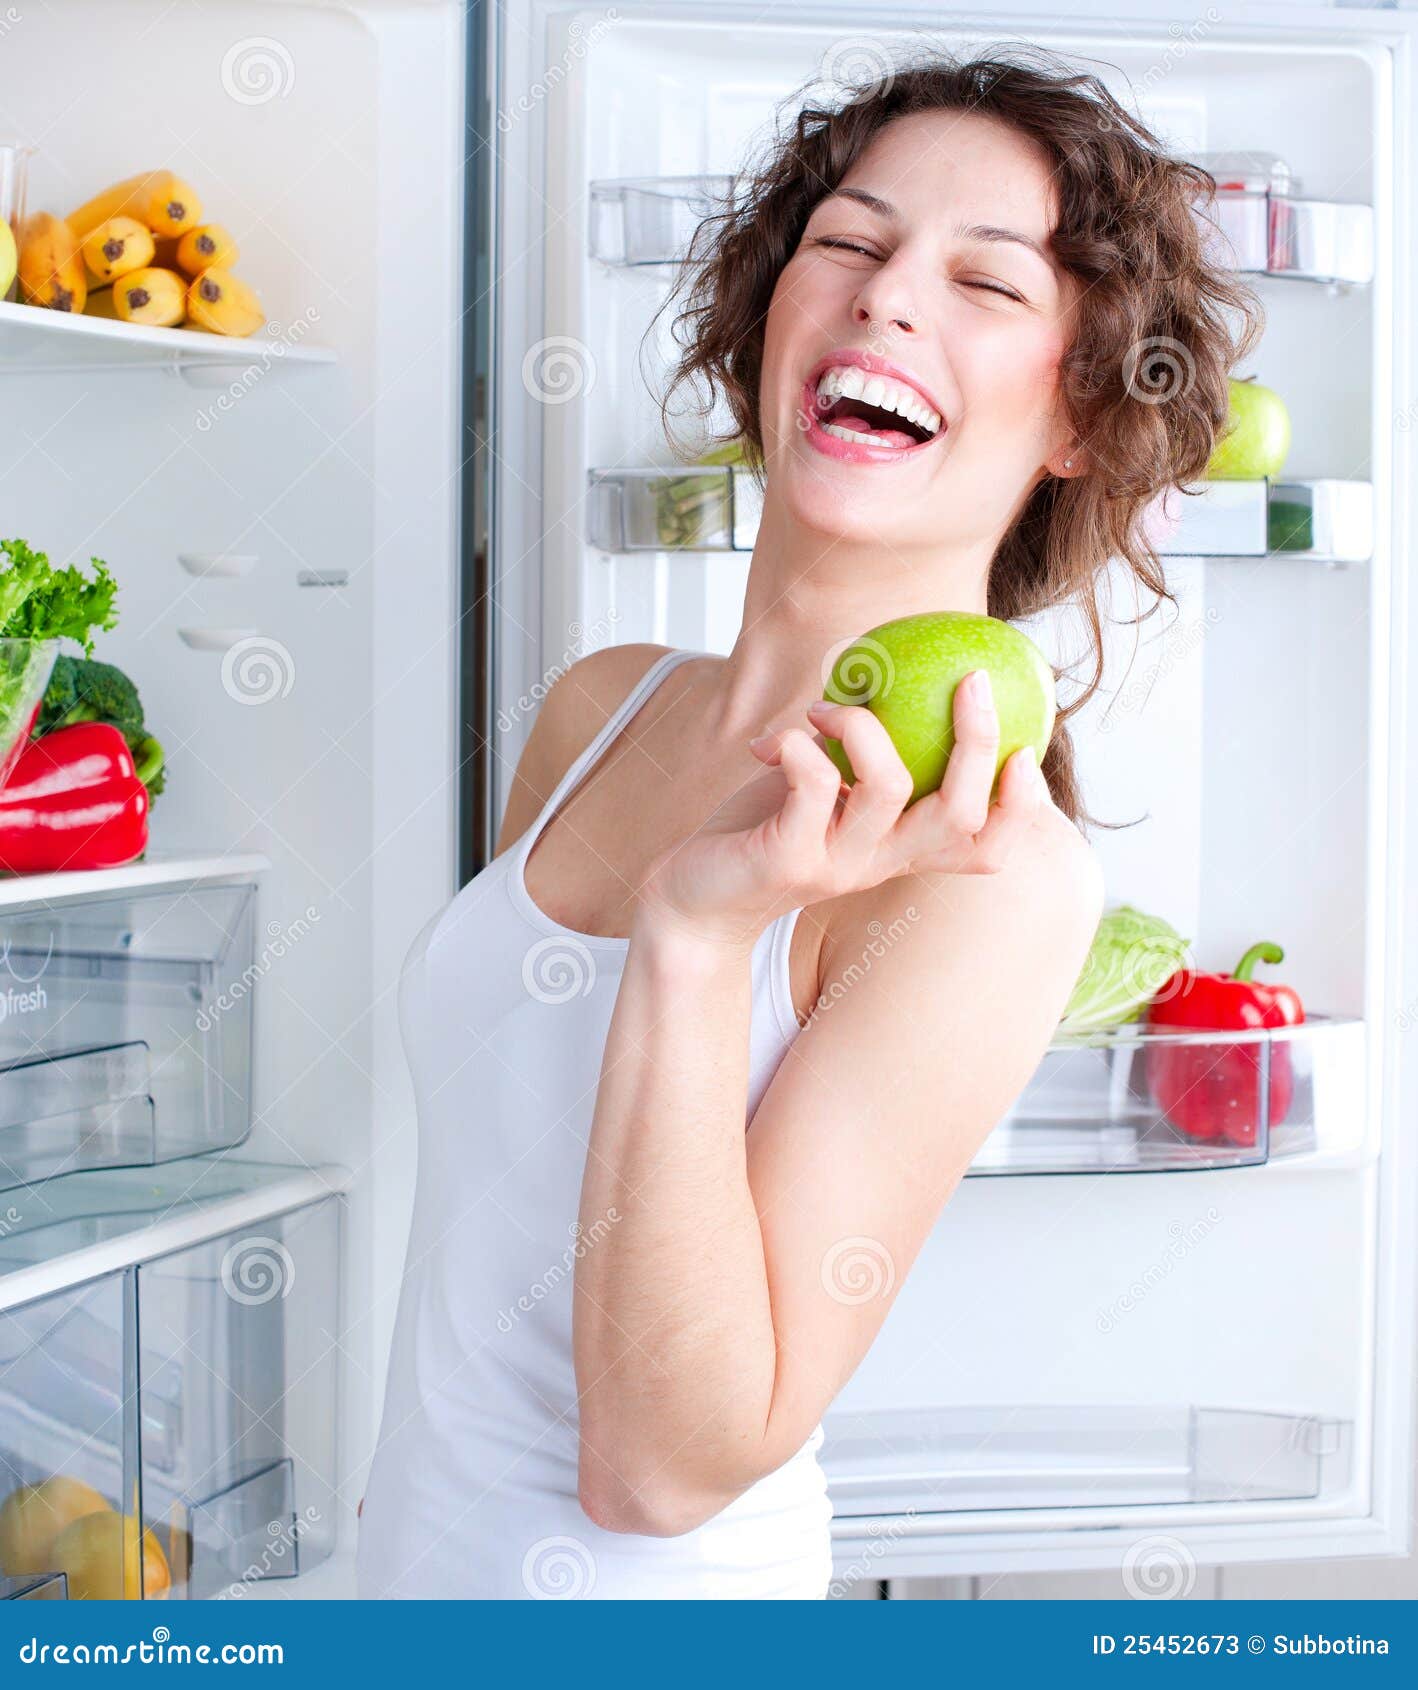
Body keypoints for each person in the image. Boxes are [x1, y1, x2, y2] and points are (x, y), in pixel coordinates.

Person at [357, 46, 1259, 1600]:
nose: (887, 296)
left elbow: (660, 1467)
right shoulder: (604, 708)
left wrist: (697, 945)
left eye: (987, 283)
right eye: (845, 241)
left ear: (1078, 422)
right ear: (766, 317)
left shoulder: (987, 871)